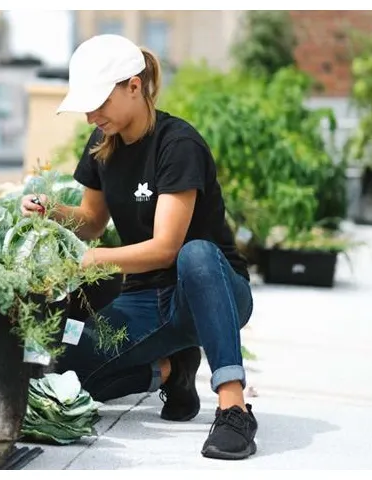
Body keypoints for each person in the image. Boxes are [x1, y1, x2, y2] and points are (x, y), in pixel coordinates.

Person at [21, 34, 257, 460]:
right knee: (69, 372)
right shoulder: (101, 146)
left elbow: (166, 248)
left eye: (100, 102)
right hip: (146, 298)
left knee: (195, 253)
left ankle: (234, 408)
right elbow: (92, 222)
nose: (92, 115)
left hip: (208, 291)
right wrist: (50, 210)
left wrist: (93, 260)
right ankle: (172, 370)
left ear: (134, 86)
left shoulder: (177, 144)